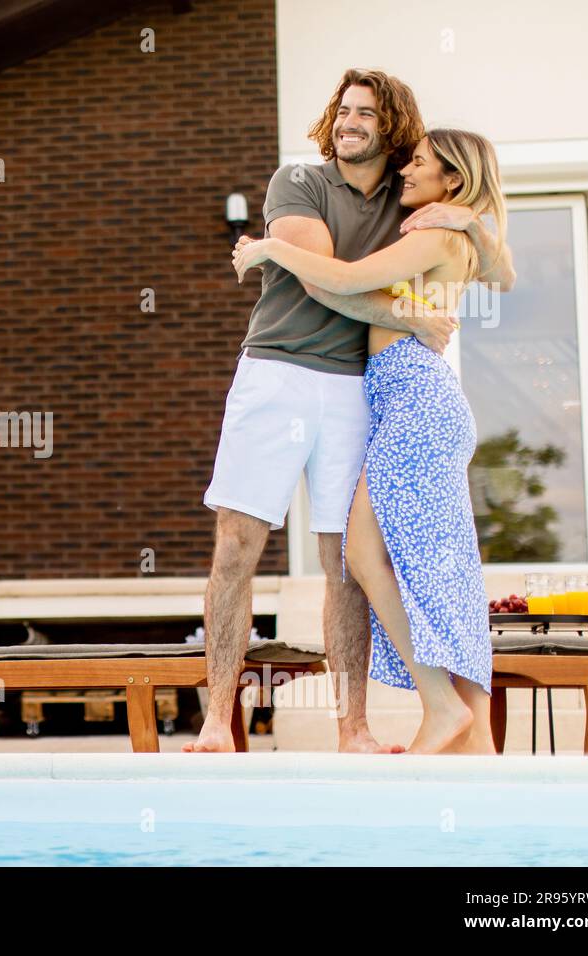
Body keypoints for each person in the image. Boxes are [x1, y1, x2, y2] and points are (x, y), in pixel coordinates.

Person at [183, 68, 515, 755]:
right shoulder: (298, 182)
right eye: (344, 110)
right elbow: (320, 278)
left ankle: (354, 728)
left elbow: (499, 269)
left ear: (391, 127)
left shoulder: (408, 200)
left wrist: (466, 222)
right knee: (238, 545)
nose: (349, 122)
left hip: (357, 390)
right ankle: (218, 718)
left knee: (346, 561)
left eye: (365, 113)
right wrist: (408, 315)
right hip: (277, 372)